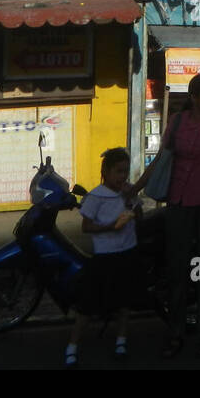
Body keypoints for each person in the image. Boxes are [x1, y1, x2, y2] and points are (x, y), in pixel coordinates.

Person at [131, 72, 200, 358]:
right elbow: (161, 159)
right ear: (194, 97)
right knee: (176, 270)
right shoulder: (177, 123)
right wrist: (135, 188)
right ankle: (175, 332)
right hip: (178, 206)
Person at [65, 146, 142, 367]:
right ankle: (72, 346)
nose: (123, 176)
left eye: (126, 171)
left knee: (124, 302)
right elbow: (86, 227)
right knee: (88, 305)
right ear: (106, 171)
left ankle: (121, 340)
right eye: (118, 171)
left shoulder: (127, 193)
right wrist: (111, 227)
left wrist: (131, 202)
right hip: (104, 257)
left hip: (127, 253)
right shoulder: (95, 196)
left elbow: (140, 217)